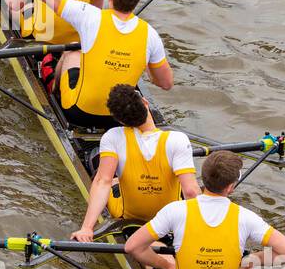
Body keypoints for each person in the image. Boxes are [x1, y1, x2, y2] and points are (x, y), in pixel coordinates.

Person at [0, 0, 172, 130]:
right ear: (136, 1)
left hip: (78, 112)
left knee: (72, 50)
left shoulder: (89, 15)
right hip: (121, 117)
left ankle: (53, 90)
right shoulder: (151, 35)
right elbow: (166, 83)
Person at [125, 149, 285, 269]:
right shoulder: (246, 217)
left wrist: (164, 265)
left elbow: (132, 246)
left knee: (157, 246)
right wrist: (251, 260)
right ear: (230, 187)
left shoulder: (176, 210)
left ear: (203, 178)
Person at [71, 85, 200, 241]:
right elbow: (191, 192)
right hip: (171, 219)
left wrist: (87, 228)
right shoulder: (177, 139)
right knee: (187, 183)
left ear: (119, 120)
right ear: (145, 102)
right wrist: (197, 233)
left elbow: (102, 182)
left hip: (131, 220)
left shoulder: (113, 136)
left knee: (104, 173)